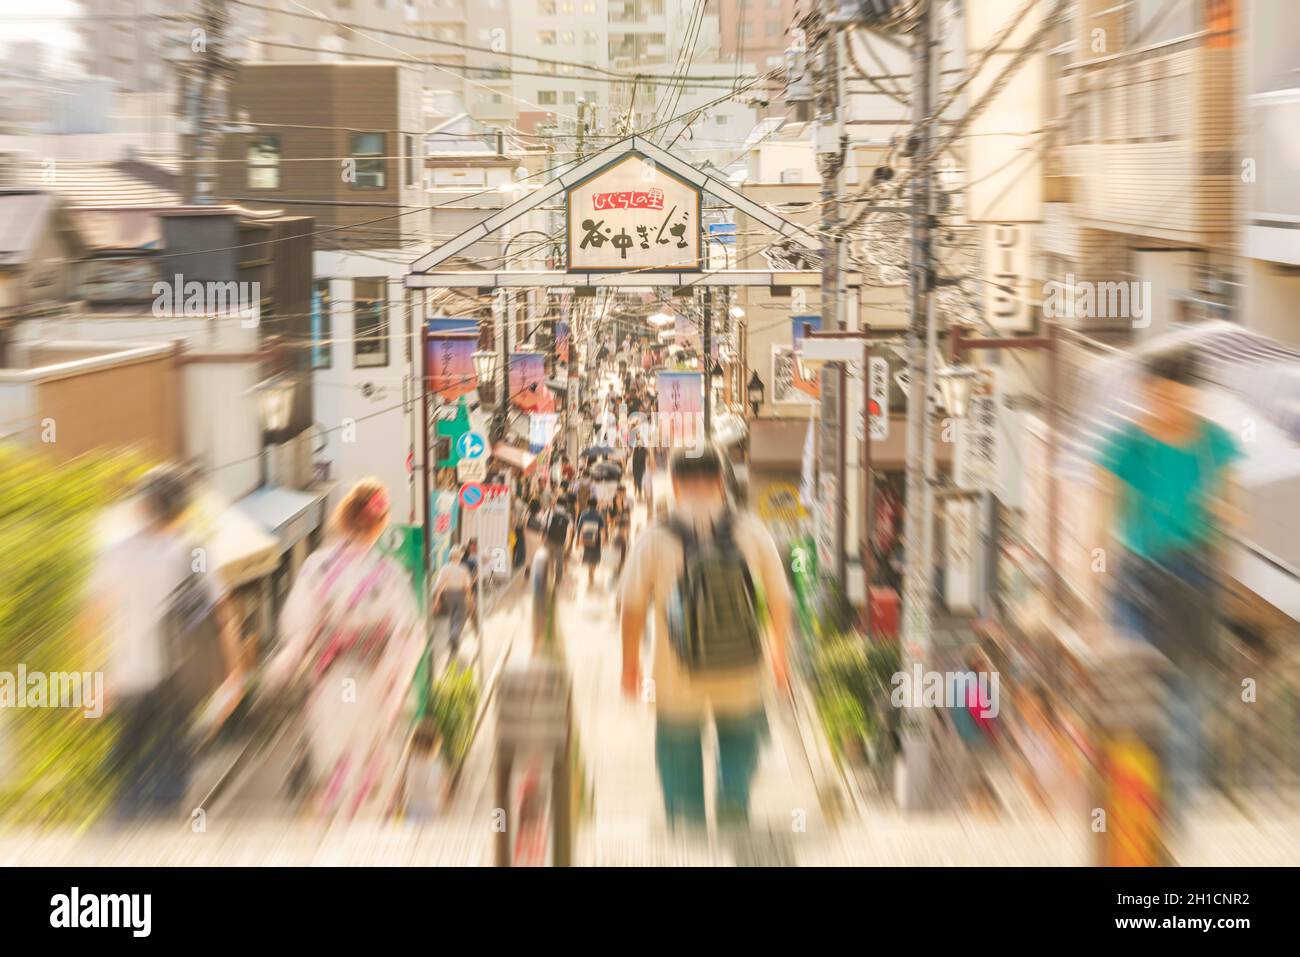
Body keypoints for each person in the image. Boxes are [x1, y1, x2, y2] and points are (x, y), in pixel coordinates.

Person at [1095, 346, 1241, 824]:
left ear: (1195, 395)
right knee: (1133, 697)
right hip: (1136, 577)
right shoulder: (1125, 446)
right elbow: (1102, 519)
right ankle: (1130, 814)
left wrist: (1225, 529)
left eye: (1177, 396)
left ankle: (1171, 818)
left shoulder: (1215, 445)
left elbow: (1232, 517)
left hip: (1195, 575)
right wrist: (1096, 585)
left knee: (1185, 704)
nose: (1167, 406)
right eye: (1157, 395)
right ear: (1145, 393)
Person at [619, 446, 792, 829]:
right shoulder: (751, 529)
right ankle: (732, 801)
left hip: (677, 675)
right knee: (741, 745)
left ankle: (688, 829)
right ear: (720, 481)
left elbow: (630, 608)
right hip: (744, 671)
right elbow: (780, 599)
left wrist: (630, 666)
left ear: (676, 485)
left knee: (677, 757)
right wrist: (779, 654)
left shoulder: (656, 536)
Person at [91, 465, 244, 819]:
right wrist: (233, 674)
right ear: (181, 509)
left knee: (126, 778)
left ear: (144, 505)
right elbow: (221, 616)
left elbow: (92, 617)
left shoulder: (116, 553)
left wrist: (94, 680)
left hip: (128, 683)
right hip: (178, 684)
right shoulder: (194, 553)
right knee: (170, 779)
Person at [269, 478, 423, 820]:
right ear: (380, 525)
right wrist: (395, 689)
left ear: (344, 518)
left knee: (333, 771)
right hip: (374, 684)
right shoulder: (388, 574)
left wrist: (287, 665)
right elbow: (408, 635)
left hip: (331, 684)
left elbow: (298, 627)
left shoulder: (318, 567)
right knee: (367, 782)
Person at [433, 544, 475, 656]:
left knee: (452, 616)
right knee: (461, 618)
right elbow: (468, 587)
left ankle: (453, 644)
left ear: (450, 557)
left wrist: (437, 601)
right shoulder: (463, 569)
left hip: (448, 595)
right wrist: (470, 601)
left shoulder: (444, 569)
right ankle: (454, 635)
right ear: (459, 557)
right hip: (460, 594)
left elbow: (440, 585)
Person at [576, 498, 606, 587]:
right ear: (596, 505)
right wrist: (604, 541)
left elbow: (579, 527)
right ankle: (592, 573)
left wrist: (578, 540)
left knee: (588, 555)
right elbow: (603, 530)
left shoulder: (583, 514)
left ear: (587, 504)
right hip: (596, 540)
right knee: (595, 558)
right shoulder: (599, 515)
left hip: (586, 539)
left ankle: (590, 573)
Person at [544, 494, 574, 585]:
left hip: (549, 538)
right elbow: (570, 529)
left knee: (549, 558)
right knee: (559, 559)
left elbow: (544, 524)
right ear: (565, 505)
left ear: (557, 503)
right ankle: (558, 578)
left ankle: (549, 574)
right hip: (561, 540)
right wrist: (568, 542)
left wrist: (544, 537)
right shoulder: (568, 515)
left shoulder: (550, 512)